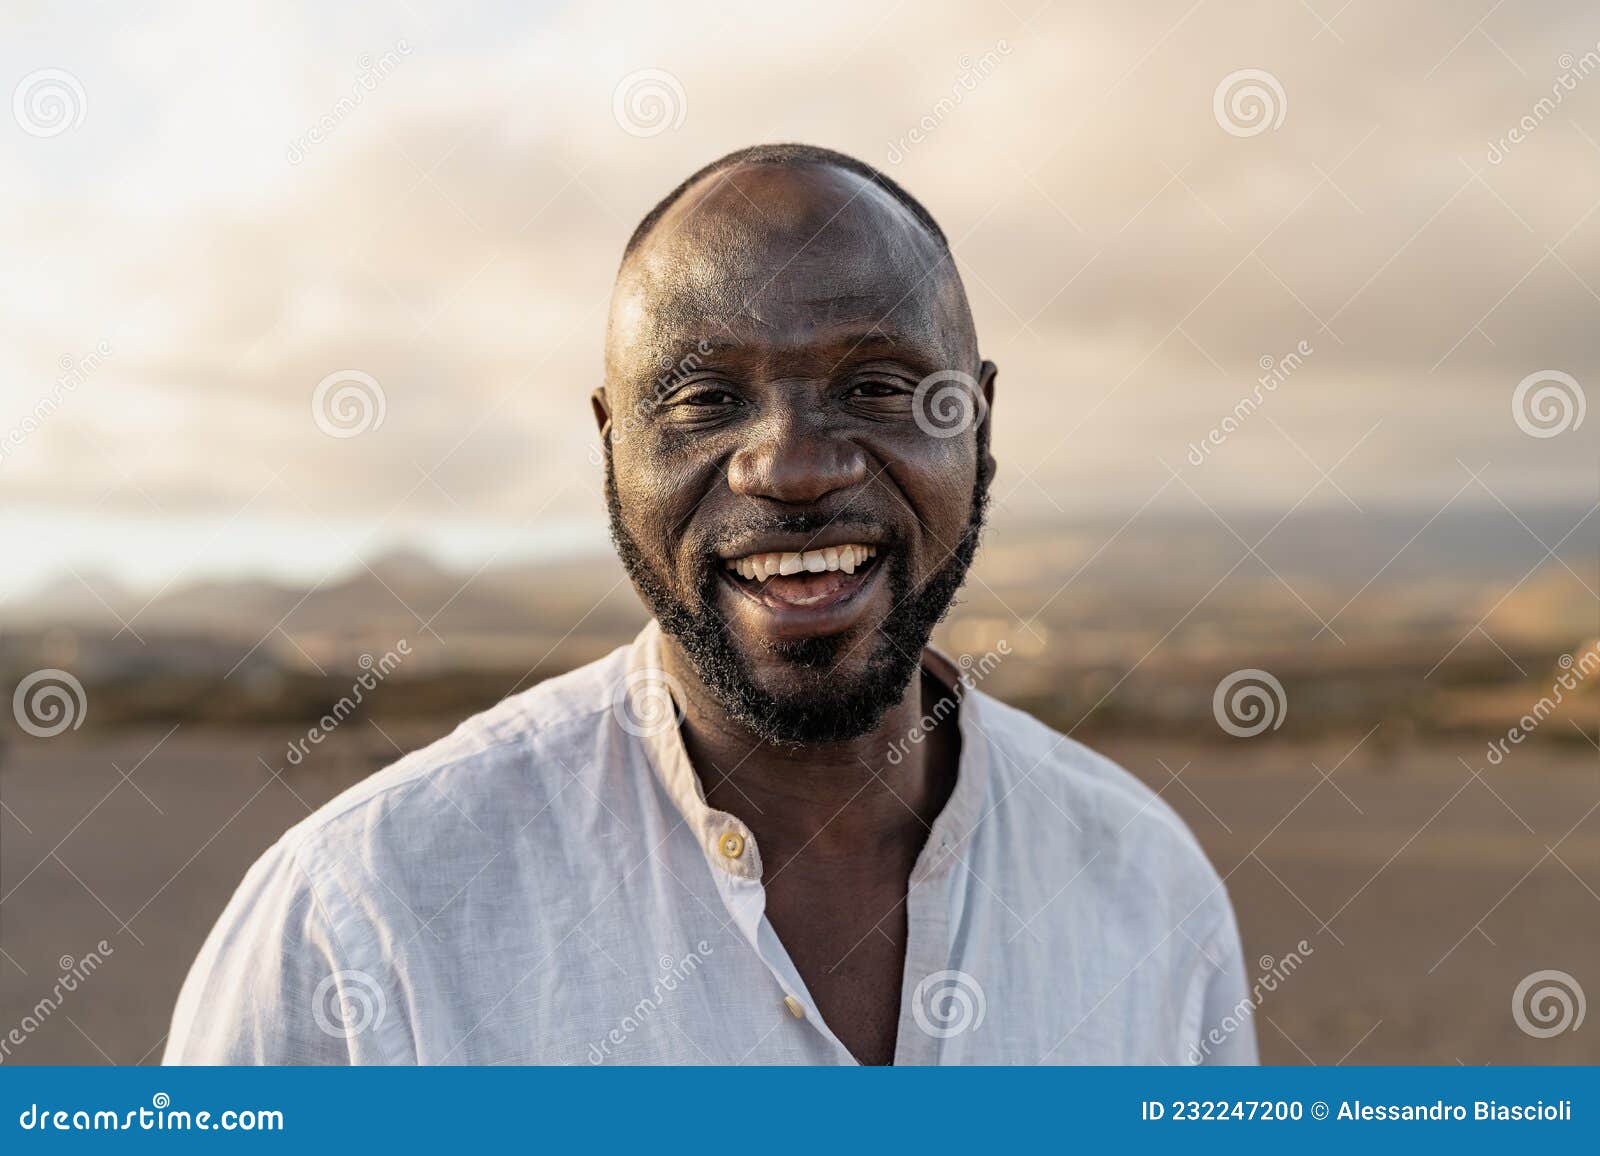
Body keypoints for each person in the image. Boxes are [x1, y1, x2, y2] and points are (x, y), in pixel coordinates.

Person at [165, 143, 1256, 1065]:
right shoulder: (365, 915)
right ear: (611, 448)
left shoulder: (1147, 893)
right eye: (703, 399)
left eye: (876, 386)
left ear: (975, 420)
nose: (788, 467)